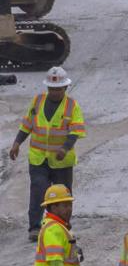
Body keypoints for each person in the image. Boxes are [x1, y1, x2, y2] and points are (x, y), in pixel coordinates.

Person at [10, 66, 86, 241]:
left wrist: (64, 148)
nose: (54, 92)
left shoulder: (72, 106)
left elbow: (76, 131)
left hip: (62, 162)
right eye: (51, 89)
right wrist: (17, 143)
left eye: (58, 89)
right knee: (38, 190)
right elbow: (27, 124)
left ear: (65, 88)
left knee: (62, 196)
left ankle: (62, 226)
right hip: (39, 159)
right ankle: (35, 228)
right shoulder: (37, 101)